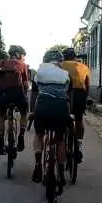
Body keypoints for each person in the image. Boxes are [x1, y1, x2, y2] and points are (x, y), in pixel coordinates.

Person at [30, 48, 72, 185]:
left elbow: (34, 94)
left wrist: (32, 111)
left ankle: (37, 162)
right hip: (60, 107)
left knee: (39, 134)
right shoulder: (66, 75)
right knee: (60, 139)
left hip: (42, 106)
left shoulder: (39, 73)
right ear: (60, 62)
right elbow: (68, 96)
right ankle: (60, 172)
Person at [0, 45, 30, 154]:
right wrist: (25, 96)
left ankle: (1, 144)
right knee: (24, 113)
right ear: (18, 54)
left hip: (4, 95)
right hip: (18, 94)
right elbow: (26, 84)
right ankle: (21, 137)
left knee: (1, 116)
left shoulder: (1, 63)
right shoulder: (22, 65)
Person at [59, 47, 90, 162]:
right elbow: (87, 85)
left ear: (64, 57)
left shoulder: (60, 65)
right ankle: (80, 148)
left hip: (64, 93)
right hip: (79, 94)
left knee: (62, 119)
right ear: (75, 56)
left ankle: (61, 143)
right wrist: (84, 100)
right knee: (79, 121)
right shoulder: (83, 67)